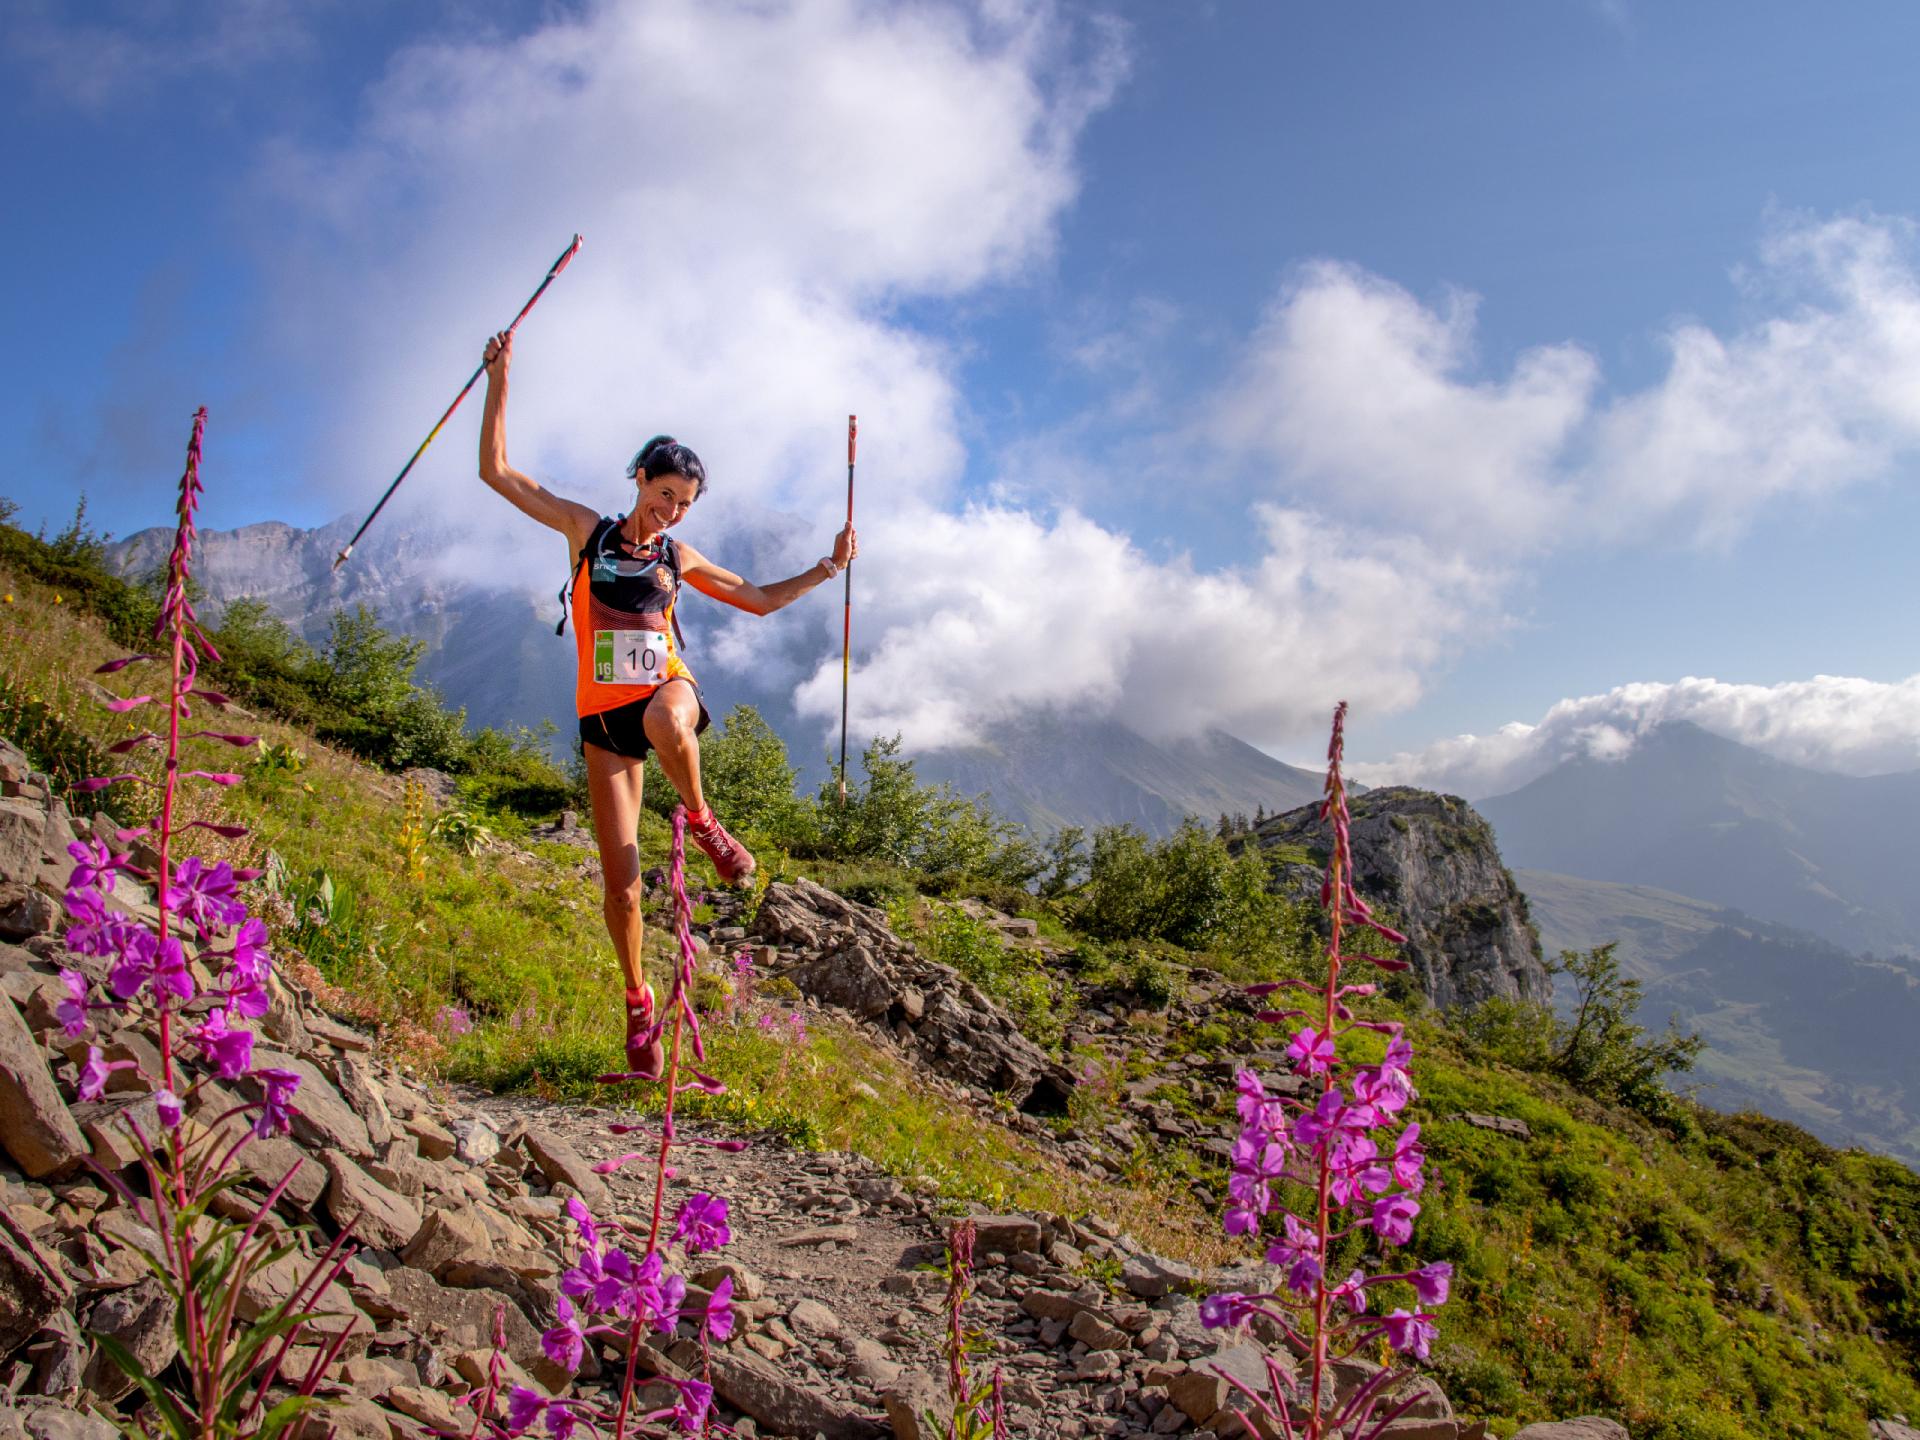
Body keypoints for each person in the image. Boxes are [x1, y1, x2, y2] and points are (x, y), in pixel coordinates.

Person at [476, 329, 856, 1079]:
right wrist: (501, 378)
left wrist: (825, 566)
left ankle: (706, 822)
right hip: (600, 717)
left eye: (684, 504)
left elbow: (756, 599)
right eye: (664, 496)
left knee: (662, 714)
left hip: (665, 690)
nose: (673, 513)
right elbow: (497, 473)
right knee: (620, 888)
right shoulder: (587, 531)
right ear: (641, 480)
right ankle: (639, 1008)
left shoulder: (677, 558)